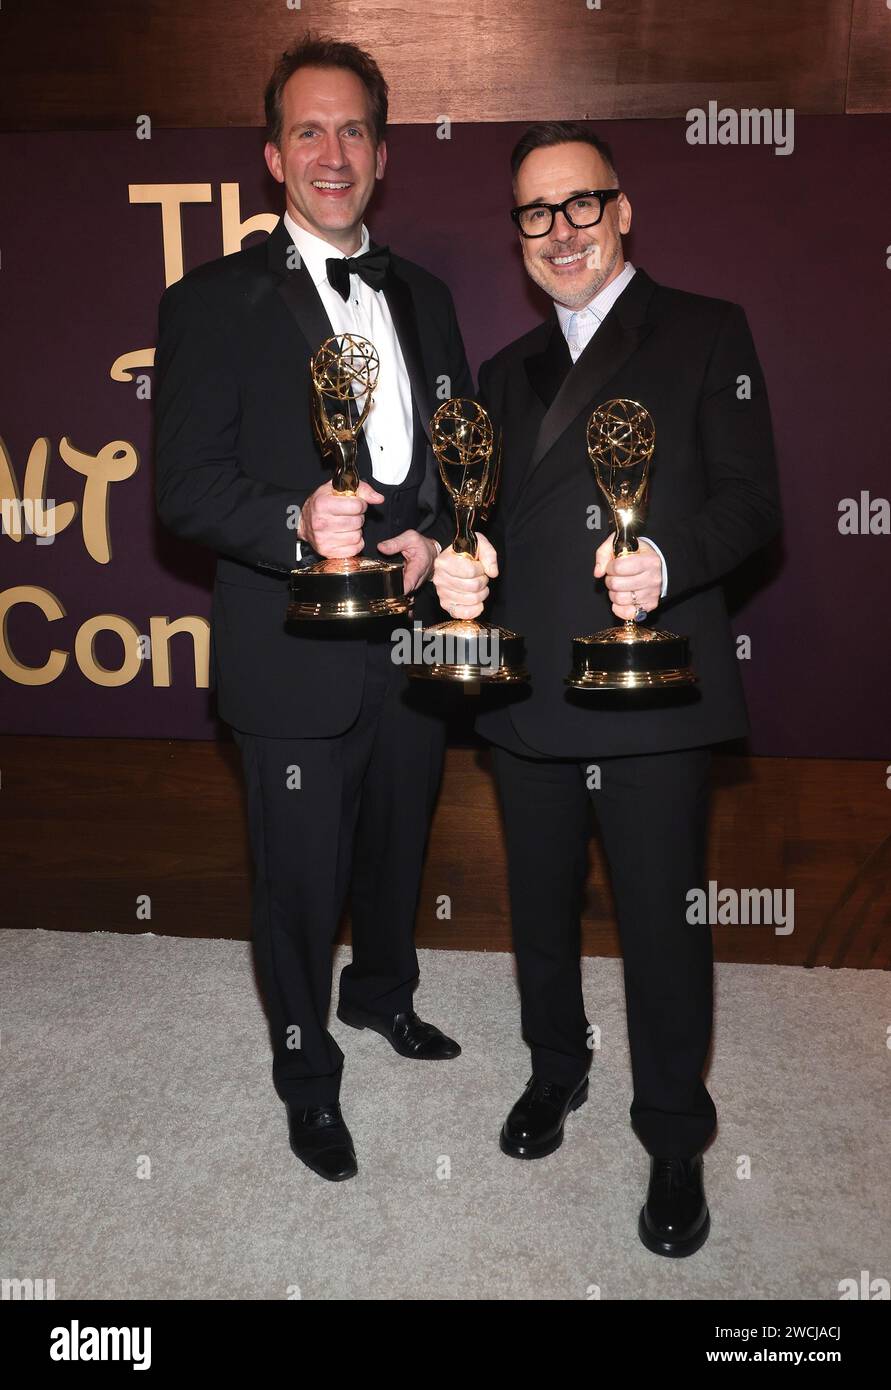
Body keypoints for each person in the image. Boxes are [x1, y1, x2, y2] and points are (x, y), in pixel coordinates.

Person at [432, 122, 781, 1255]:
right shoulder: (501, 371)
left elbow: (752, 504)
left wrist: (668, 564)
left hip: (653, 683)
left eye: (582, 204)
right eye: (537, 212)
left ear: (623, 210)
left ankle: (674, 1131)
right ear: (520, 235)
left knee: (662, 922)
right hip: (531, 691)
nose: (561, 230)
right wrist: (460, 565)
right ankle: (555, 1070)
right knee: (540, 906)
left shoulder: (705, 330)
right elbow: (476, 519)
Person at [155, 35, 473, 1182]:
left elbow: (453, 458)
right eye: (308, 130)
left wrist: (440, 533)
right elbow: (184, 488)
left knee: (399, 834)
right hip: (289, 645)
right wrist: (297, 522)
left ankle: (382, 994)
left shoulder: (427, 298)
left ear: (383, 156)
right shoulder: (210, 301)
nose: (331, 153)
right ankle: (305, 1069)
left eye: (352, 132)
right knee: (297, 872)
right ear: (272, 154)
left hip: (414, 630)